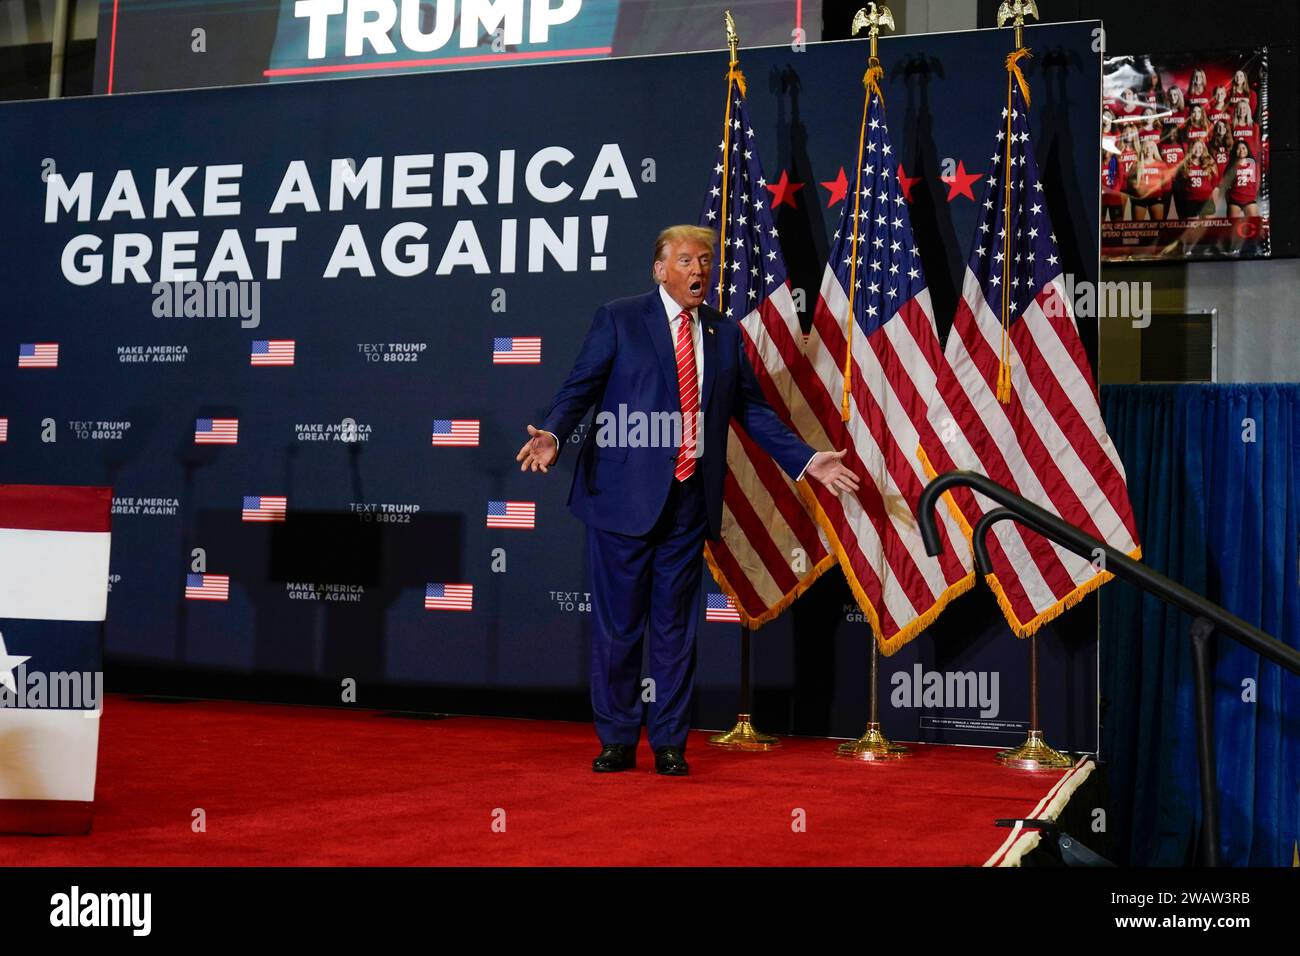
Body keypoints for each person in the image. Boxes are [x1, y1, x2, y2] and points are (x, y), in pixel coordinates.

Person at [515, 225, 858, 776]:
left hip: (688, 501)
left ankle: (670, 743)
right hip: (620, 501)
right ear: (659, 270)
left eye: (704, 260)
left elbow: (751, 409)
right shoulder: (620, 318)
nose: (697, 270)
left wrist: (806, 459)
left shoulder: (724, 332)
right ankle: (617, 739)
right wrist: (554, 434)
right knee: (619, 629)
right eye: (684, 260)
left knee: (675, 630)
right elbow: (580, 387)